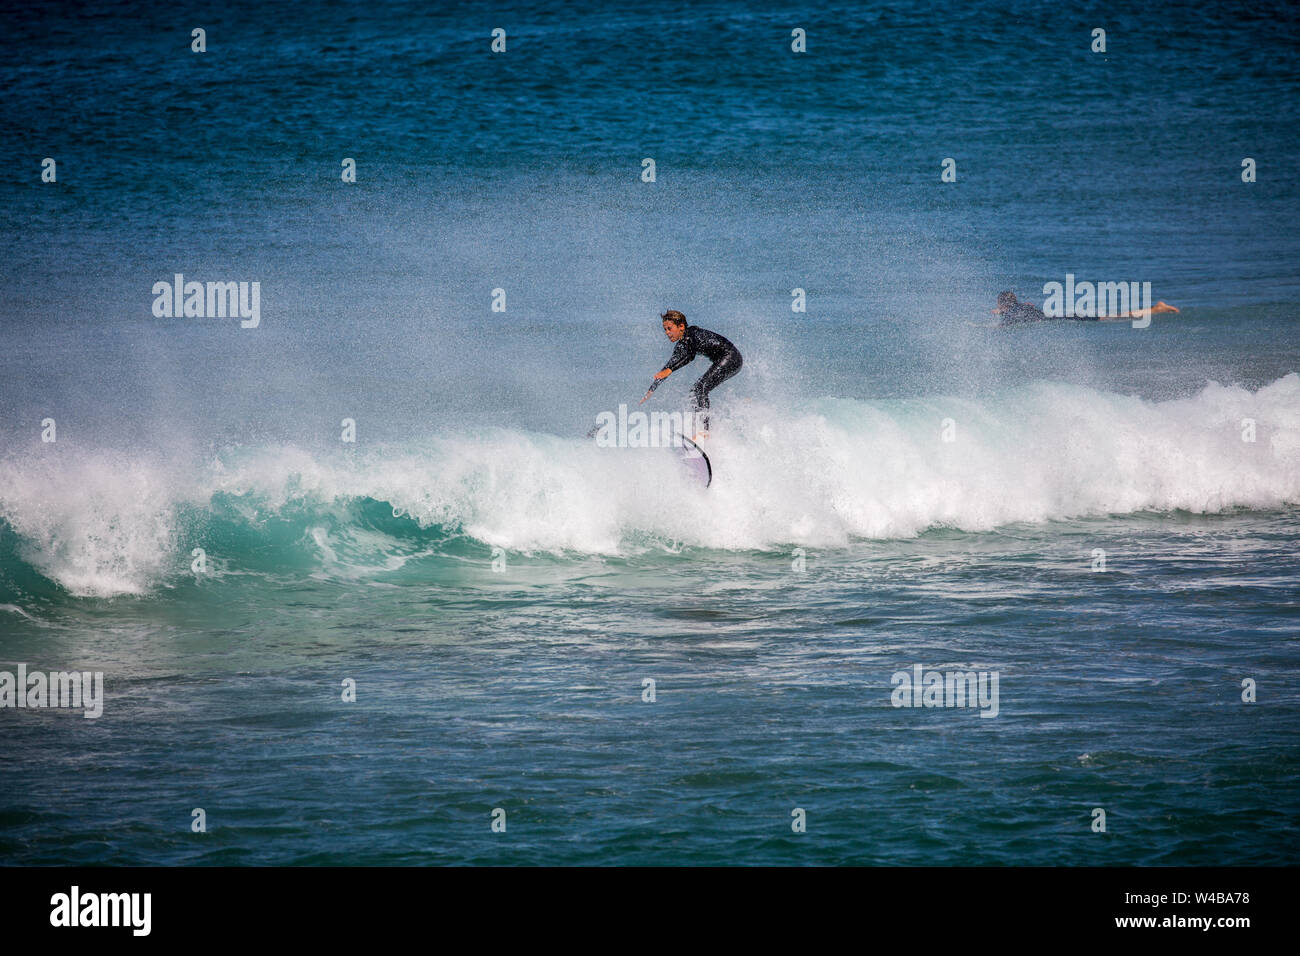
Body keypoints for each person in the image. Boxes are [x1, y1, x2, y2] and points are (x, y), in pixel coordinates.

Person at [640, 310, 742, 437]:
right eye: (665, 329)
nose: (667, 333)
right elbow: (666, 368)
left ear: (681, 326)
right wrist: (651, 389)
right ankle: (699, 428)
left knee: (700, 388)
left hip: (731, 357)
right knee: (695, 391)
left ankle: (704, 431)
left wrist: (670, 370)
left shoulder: (691, 335)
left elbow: (689, 356)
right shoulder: (681, 344)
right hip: (726, 360)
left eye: (669, 328)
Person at [992, 290, 1179, 325]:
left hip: (1068, 318)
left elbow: (1007, 325)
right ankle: (1155, 309)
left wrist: (1000, 319)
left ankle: (1156, 309)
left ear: (1004, 303)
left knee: (1113, 317)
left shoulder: (1014, 311)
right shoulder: (1022, 306)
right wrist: (1002, 311)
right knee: (1112, 316)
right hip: (1067, 314)